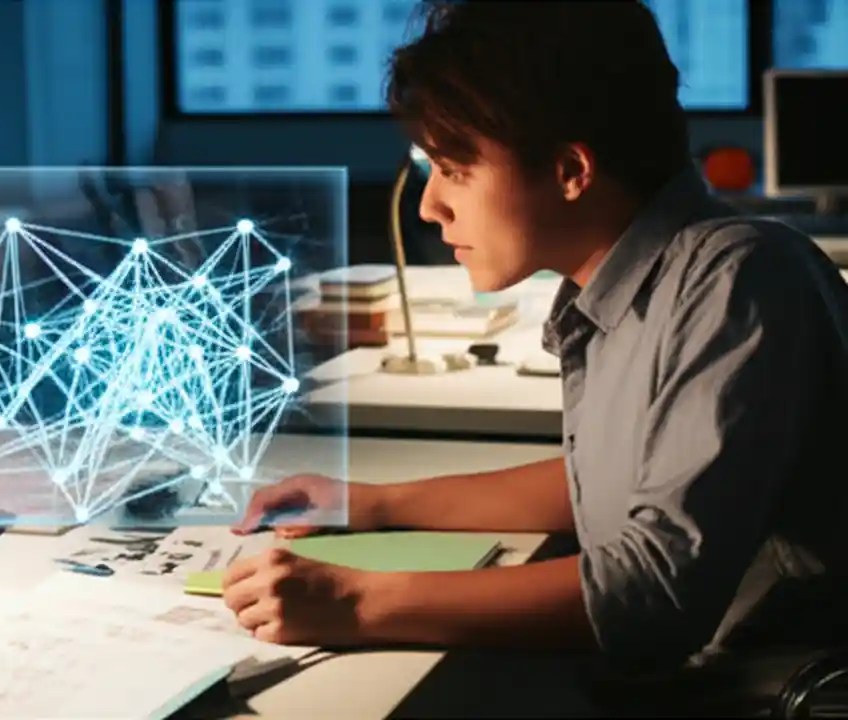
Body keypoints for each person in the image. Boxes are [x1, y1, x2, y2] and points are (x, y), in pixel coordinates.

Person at [223, 0, 848, 679]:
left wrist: (352, 599)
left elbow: (656, 591)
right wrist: (371, 503)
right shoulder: (635, 285)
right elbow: (608, 480)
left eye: (455, 169)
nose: (431, 206)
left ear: (572, 171)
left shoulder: (738, 281)